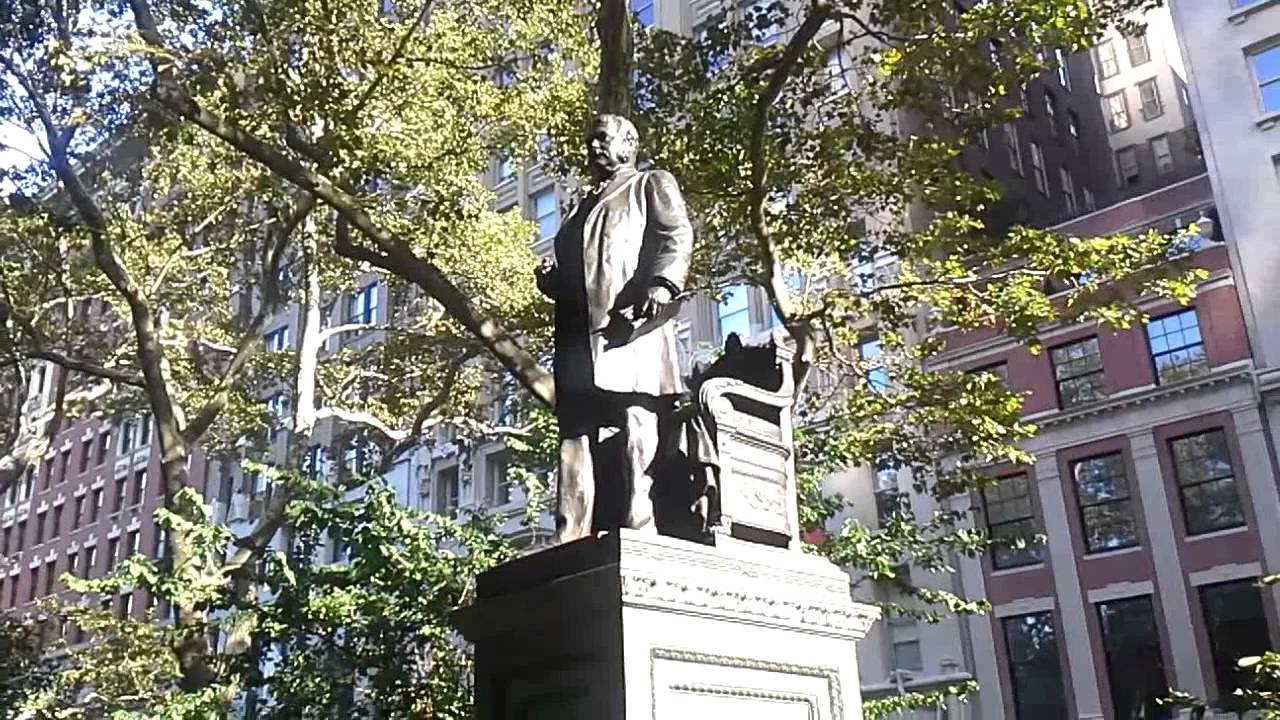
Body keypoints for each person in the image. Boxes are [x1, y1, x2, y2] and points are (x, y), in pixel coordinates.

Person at [536, 114, 694, 543]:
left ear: (629, 144)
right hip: (578, 340)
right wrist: (554, 280)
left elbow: (676, 235)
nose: (593, 147)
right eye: (590, 140)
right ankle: (570, 534)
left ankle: (639, 523)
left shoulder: (650, 184)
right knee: (574, 436)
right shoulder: (582, 207)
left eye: (602, 139)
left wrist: (663, 284)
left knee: (635, 420)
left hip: (630, 329)